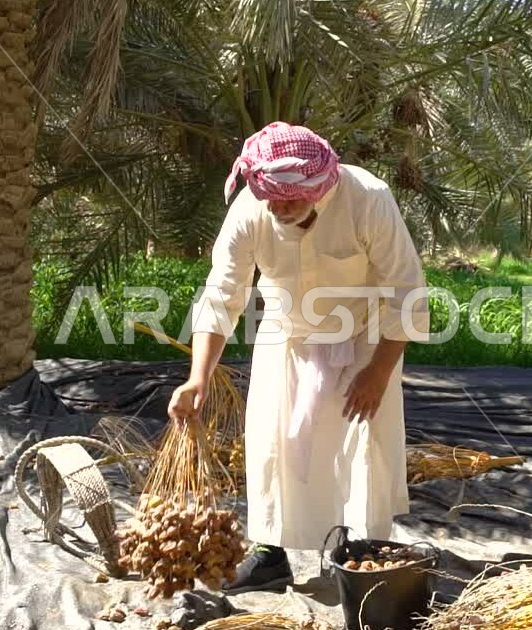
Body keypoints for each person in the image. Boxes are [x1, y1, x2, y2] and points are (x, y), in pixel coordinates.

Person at [168, 121, 429, 594]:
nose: (279, 208)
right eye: (272, 197)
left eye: (290, 199)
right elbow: (222, 295)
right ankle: (272, 554)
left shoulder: (367, 198)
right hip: (287, 333)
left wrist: (378, 373)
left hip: (366, 334)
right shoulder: (253, 208)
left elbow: (407, 292)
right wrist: (198, 378)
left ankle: (362, 551)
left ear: (320, 185)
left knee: (363, 445)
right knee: (274, 442)